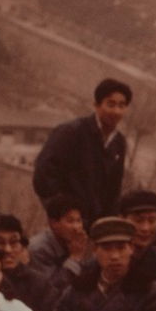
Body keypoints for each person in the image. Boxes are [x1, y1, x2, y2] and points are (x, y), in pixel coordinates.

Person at [33, 78, 132, 224]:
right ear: (96, 106)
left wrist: (108, 223)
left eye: (122, 106)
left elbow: (114, 190)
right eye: (110, 104)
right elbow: (43, 175)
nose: (116, 111)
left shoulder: (119, 143)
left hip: (97, 226)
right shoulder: (71, 132)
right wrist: (63, 213)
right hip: (69, 222)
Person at [0, 213, 56, 311]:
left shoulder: (40, 284)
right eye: (0, 243)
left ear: (22, 246)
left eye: (13, 242)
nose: (7, 250)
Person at [28, 194, 89, 278]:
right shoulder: (38, 249)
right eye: (70, 221)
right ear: (53, 223)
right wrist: (75, 257)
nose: (76, 227)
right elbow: (51, 286)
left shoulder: (79, 242)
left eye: (78, 221)